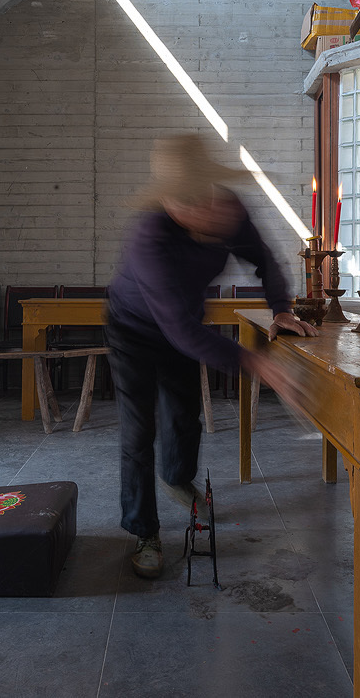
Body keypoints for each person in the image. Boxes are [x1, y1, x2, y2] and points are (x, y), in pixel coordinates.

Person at [104, 132, 319, 579]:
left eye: (207, 198)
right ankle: (143, 531)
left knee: (185, 416)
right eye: (188, 204)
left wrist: (280, 309)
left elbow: (265, 259)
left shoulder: (230, 209)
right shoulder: (150, 235)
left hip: (184, 327)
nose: (206, 213)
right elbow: (179, 329)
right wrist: (257, 364)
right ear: (169, 205)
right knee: (139, 432)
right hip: (134, 330)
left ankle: (177, 478)